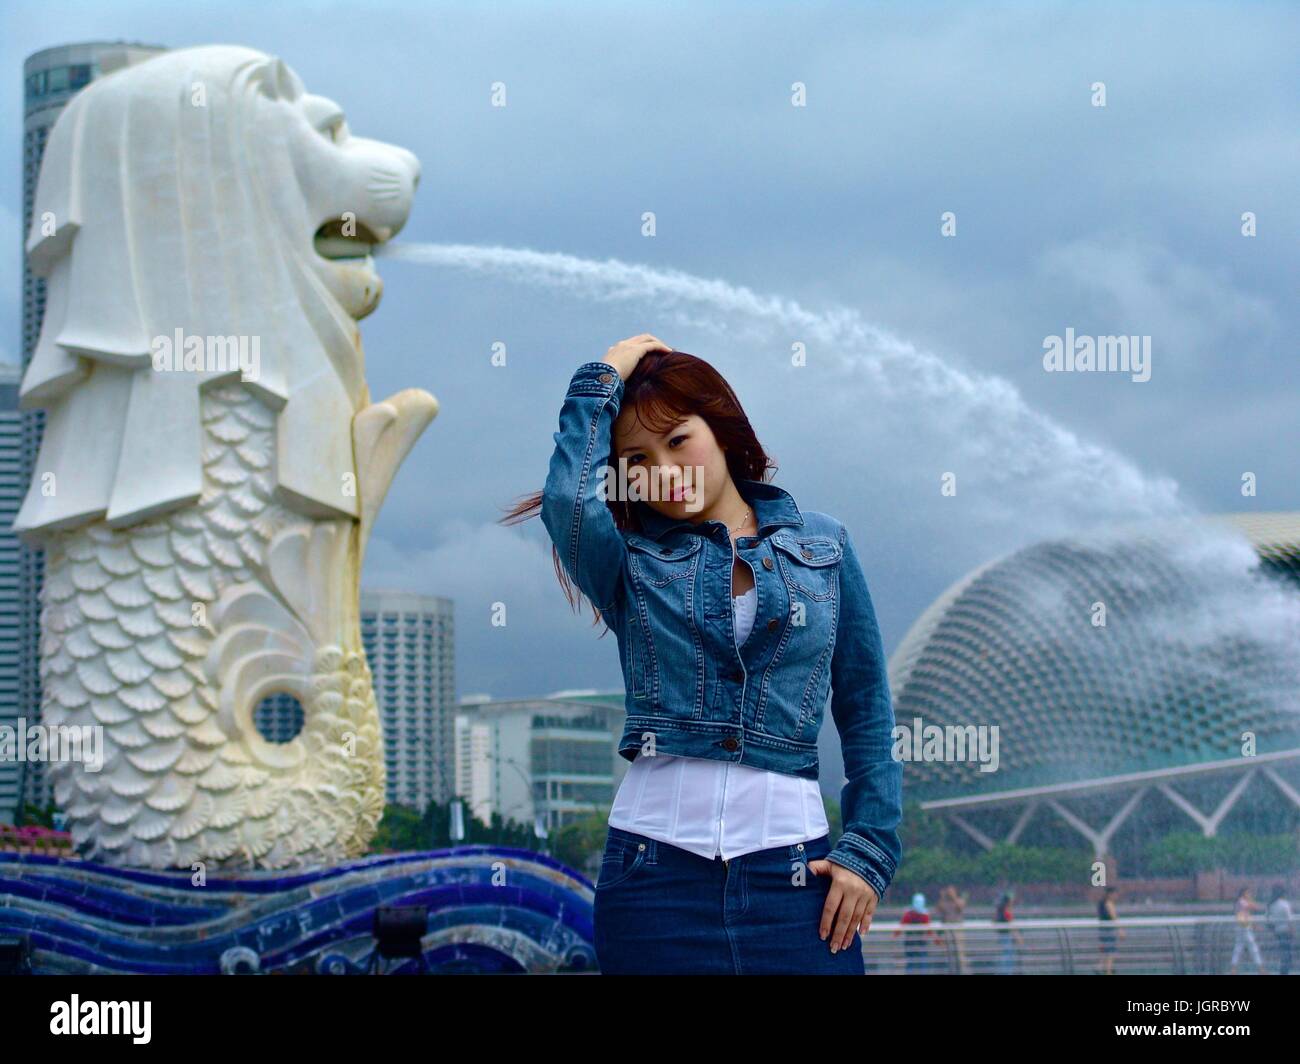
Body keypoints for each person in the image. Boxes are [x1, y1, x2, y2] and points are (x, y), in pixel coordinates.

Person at [509, 336, 902, 974]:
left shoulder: (824, 546)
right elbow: (567, 504)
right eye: (636, 458)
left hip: (799, 883)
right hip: (653, 880)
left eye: (677, 440)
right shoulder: (629, 563)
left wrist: (869, 848)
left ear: (720, 429)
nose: (663, 470)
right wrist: (602, 374)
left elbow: (866, 708)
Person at [893, 892, 943, 974]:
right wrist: (937, 940)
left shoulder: (909, 914)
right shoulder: (922, 915)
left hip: (912, 943)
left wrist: (894, 936)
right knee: (920, 964)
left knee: (912, 964)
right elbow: (929, 930)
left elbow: (900, 928)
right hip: (918, 944)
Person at [1229, 886, 1264, 974]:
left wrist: (1254, 925)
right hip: (1244, 928)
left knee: (1238, 947)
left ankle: (1233, 969)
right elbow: (1255, 907)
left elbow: (1248, 914)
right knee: (1253, 948)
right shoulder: (1242, 901)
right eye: (1248, 893)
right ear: (1244, 893)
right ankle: (1261, 969)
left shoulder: (1240, 902)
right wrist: (1251, 900)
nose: (1250, 894)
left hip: (1243, 927)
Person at [934, 884, 968, 974]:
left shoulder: (959, 900)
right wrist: (942, 897)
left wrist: (954, 897)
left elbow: (960, 906)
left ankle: (961, 971)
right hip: (947, 929)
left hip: (957, 929)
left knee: (959, 953)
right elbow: (937, 910)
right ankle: (951, 971)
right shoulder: (944, 902)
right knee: (949, 953)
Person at [1265, 884, 1293, 976]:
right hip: (1286, 931)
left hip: (1277, 931)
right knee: (1287, 952)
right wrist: (1292, 930)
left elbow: (1267, 919)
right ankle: (1284, 971)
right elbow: (1289, 919)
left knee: (1284, 951)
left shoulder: (1271, 904)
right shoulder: (1284, 904)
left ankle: (1283, 970)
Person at [1096, 886, 1125, 975]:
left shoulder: (1101, 904)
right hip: (1109, 931)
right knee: (1110, 953)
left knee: (1105, 952)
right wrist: (1121, 930)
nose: (1116, 896)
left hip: (1103, 931)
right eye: (1115, 894)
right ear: (1110, 894)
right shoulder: (1109, 904)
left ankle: (1099, 967)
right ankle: (1108, 972)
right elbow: (1114, 918)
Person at [993, 891, 1023, 975]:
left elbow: (995, 921)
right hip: (1006, 937)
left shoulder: (1000, 910)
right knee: (1007, 959)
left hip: (1002, 937)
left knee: (1004, 958)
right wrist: (1018, 937)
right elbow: (1011, 925)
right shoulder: (1006, 911)